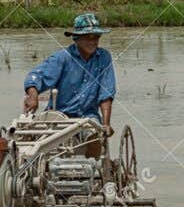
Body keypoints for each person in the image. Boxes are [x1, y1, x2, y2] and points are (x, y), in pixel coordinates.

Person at [22, 12, 117, 141]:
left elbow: (105, 94)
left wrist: (106, 124)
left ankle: (91, 160)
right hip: (59, 116)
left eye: (96, 37)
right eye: (88, 37)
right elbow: (35, 77)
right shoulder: (62, 58)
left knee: (93, 136)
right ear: (76, 38)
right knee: (47, 143)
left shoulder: (104, 58)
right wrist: (33, 96)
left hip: (88, 117)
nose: (93, 41)